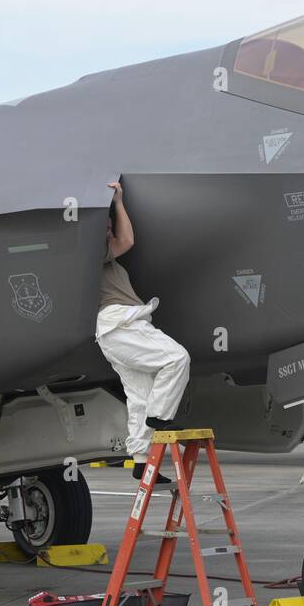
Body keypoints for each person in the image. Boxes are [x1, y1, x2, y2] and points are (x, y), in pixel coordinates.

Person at [95, 181, 191, 480]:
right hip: (121, 323)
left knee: (139, 395)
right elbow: (127, 240)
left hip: (111, 331)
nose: (110, 228)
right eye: (105, 224)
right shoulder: (93, 253)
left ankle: (141, 461)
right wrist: (119, 203)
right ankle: (160, 418)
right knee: (176, 359)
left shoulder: (99, 258)